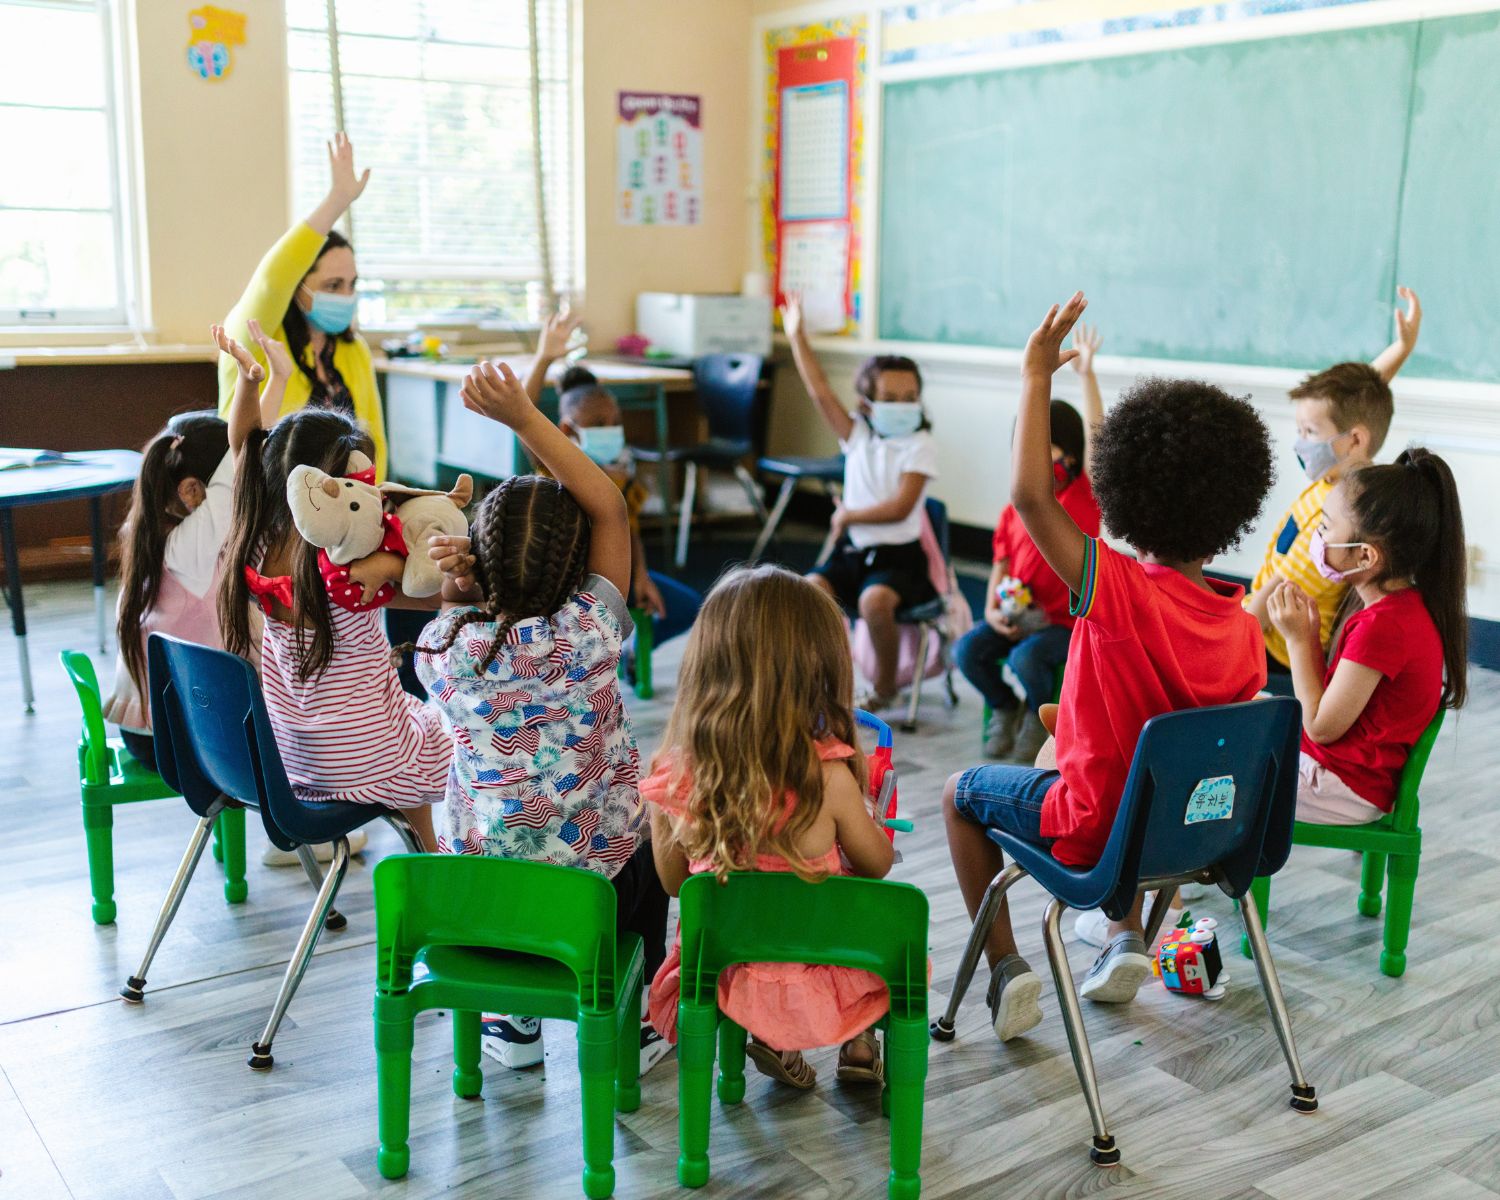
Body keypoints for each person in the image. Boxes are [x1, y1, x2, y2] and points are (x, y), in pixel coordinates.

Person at [943, 293, 1275, 1044]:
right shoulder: (1242, 623)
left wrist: (1036, 375)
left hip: (1099, 835)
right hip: (1197, 840)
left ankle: (1005, 972)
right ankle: (1126, 939)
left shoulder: (1118, 591)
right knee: (1076, 750)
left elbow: (1031, 495)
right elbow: (1164, 730)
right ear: (1236, 505)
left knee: (960, 795)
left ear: (1119, 493)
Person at [414, 359, 668, 1073]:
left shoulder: (444, 651)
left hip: (488, 905)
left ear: (480, 565)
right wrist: (526, 417)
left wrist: (461, 586)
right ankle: (640, 1016)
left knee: (509, 834)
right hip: (595, 897)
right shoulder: (593, 633)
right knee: (640, 831)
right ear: (582, 568)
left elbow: (458, 613)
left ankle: (514, 1020)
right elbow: (609, 508)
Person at [646, 565, 897, 1091]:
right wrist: (868, 819)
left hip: (721, 967)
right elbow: (876, 866)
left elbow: (673, 885)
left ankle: (777, 1038)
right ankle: (859, 1042)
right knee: (879, 927)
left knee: (753, 914)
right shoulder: (829, 778)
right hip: (815, 965)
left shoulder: (671, 775)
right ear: (816, 672)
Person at [215, 321, 445, 853]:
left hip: (292, 757)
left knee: (403, 711)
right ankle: (430, 856)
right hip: (359, 757)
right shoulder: (346, 560)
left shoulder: (255, 537)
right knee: (442, 725)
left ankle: (423, 849)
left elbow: (245, 443)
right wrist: (394, 568)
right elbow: (442, 597)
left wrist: (254, 382)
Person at [1267, 448, 1466, 825]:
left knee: (1208, 775)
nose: (1317, 536)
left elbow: (1322, 728)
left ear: (1364, 557)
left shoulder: (1383, 627)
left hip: (1340, 786)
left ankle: (1190, 878)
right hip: (1336, 776)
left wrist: (1297, 641)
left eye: (1325, 527)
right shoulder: (1401, 608)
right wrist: (1309, 636)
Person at [1246, 288, 1422, 685]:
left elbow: (1272, 600)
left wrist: (1221, 646)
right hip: (1265, 619)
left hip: (1277, 654)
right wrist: (1402, 349)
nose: (1300, 441)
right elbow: (1365, 396)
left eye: (1310, 431)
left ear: (1354, 440)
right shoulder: (1349, 476)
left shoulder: (1338, 519)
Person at [781, 295, 938, 711]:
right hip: (854, 554)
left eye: (911, 397)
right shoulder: (859, 437)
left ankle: (885, 688)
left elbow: (902, 508)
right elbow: (818, 390)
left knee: (874, 602)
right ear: (868, 403)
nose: (903, 405)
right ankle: (822, 680)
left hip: (899, 560)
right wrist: (796, 335)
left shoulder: (919, 446)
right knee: (810, 590)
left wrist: (848, 514)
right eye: (891, 396)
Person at [957, 323, 1104, 761]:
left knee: (1028, 660)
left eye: (1052, 448)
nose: (1041, 458)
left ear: (1072, 456)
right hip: (1016, 616)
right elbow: (1000, 565)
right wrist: (989, 610)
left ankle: (1040, 718)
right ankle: (1007, 707)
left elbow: (1098, 433)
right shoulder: (1012, 508)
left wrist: (1087, 376)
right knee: (968, 650)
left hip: (1063, 624)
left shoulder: (1083, 497)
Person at [217, 133, 388, 479]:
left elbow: (375, 446)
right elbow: (272, 279)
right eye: (332, 285)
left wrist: (375, 505)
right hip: (270, 510)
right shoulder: (256, 338)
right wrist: (337, 201)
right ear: (297, 288)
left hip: (345, 512)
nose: (345, 296)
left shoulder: (353, 352)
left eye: (352, 285)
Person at [104, 404, 235, 773]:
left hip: (146, 733)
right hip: (174, 742)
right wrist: (253, 384)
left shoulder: (146, 531)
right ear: (192, 489)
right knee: (295, 732)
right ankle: (313, 828)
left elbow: (231, 470)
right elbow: (233, 469)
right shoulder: (189, 545)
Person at [523, 310, 668, 623]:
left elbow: (630, 530)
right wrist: (543, 358)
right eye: (598, 424)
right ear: (567, 430)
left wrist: (642, 575)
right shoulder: (555, 471)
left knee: (684, 607)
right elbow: (523, 411)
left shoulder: (620, 474)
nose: (611, 430)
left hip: (609, 587)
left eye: (615, 422)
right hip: (559, 595)